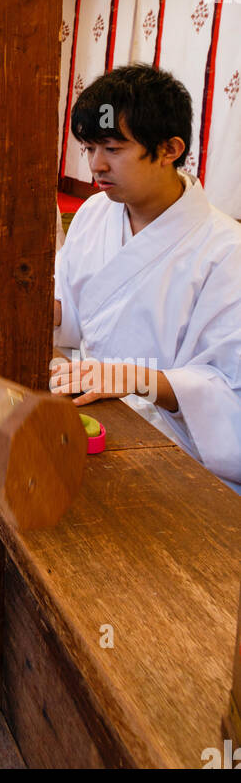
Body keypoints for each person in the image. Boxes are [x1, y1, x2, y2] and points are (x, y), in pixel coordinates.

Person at [51, 64, 241, 493]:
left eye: (112, 148)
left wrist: (138, 378)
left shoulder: (227, 251)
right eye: (88, 148)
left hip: (176, 453)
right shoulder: (95, 213)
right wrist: (34, 307)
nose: (96, 165)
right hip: (92, 413)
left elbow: (231, 387)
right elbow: (80, 313)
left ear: (170, 148)